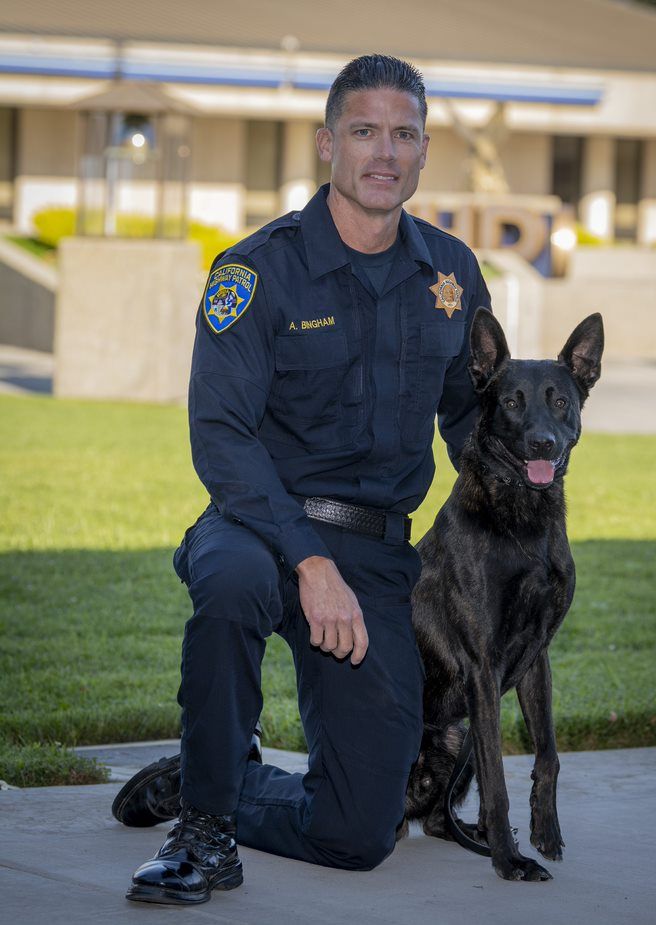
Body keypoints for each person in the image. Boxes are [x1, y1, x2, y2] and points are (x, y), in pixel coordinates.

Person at [115, 53, 492, 906]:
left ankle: (214, 783)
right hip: (256, 524)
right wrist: (306, 559)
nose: (383, 152)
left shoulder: (452, 274)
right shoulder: (257, 271)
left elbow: (469, 416)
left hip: (373, 557)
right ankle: (204, 838)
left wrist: (517, 490)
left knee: (360, 832)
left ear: (426, 150)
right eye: (364, 131)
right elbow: (220, 435)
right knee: (234, 585)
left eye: (403, 134)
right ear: (328, 143)